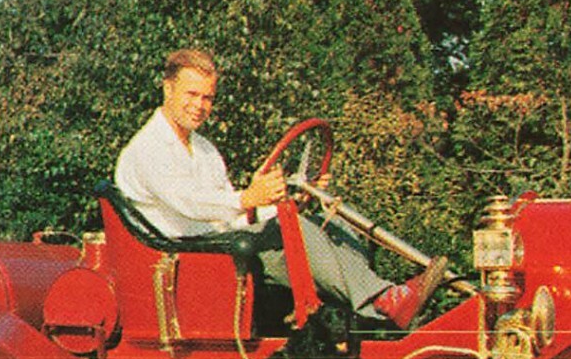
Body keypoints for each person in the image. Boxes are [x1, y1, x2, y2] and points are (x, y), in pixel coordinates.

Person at [114, 48, 447, 329]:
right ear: (168, 89)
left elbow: (233, 216)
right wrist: (249, 198)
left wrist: (290, 202)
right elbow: (191, 203)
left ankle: (377, 306)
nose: (200, 105)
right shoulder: (148, 149)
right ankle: (382, 302)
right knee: (295, 231)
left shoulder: (204, 150)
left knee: (327, 224)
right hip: (185, 262)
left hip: (217, 247)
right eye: (192, 94)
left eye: (207, 98)